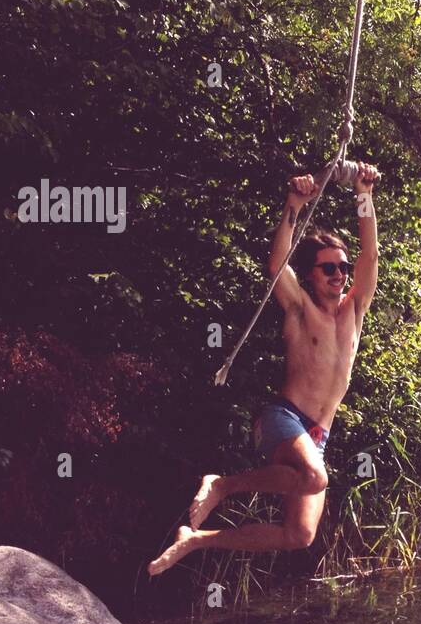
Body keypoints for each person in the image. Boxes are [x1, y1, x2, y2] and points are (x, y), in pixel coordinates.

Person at [148, 161, 380, 576]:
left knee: (299, 535)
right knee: (315, 478)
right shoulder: (299, 306)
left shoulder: (354, 312)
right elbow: (277, 267)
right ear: (311, 274)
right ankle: (223, 484)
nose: (339, 275)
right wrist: (293, 203)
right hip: (283, 418)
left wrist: (364, 195)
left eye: (343, 268)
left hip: (318, 435)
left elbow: (370, 255)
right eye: (329, 268)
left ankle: (197, 540)